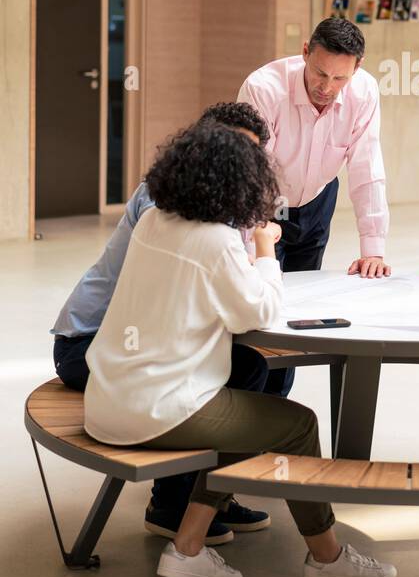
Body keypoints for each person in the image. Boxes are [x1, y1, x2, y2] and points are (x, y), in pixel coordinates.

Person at [83, 121, 397, 577]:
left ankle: (188, 547)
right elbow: (260, 311)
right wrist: (267, 249)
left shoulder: (154, 221)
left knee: (246, 416)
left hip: (106, 398)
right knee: (296, 425)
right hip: (157, 408)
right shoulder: (216, 241)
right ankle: (327, 558)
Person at [51, 101, 276, 545]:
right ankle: (175, 505)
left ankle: (210, 494)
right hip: (89, 346)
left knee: (246, 365)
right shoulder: (170, 202)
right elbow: (221, 290)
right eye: (231, 147)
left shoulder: (203, 196)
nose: (239, 161)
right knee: (241, 369)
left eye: (249, 154)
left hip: (130, 342)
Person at [238, 18, 390, 397]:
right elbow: (250, 172)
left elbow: (366, 167)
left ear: (359, 66)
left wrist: (373, 248)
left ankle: (276, 408)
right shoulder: (264, 88)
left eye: (340, 79)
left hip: (317, 200)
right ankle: (243, 404)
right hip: (265, 201)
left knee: (297, 314)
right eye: (319, 73)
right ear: (305, 51)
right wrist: (251, 243)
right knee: (256, 307)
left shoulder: (365, 91)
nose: (327, 88)